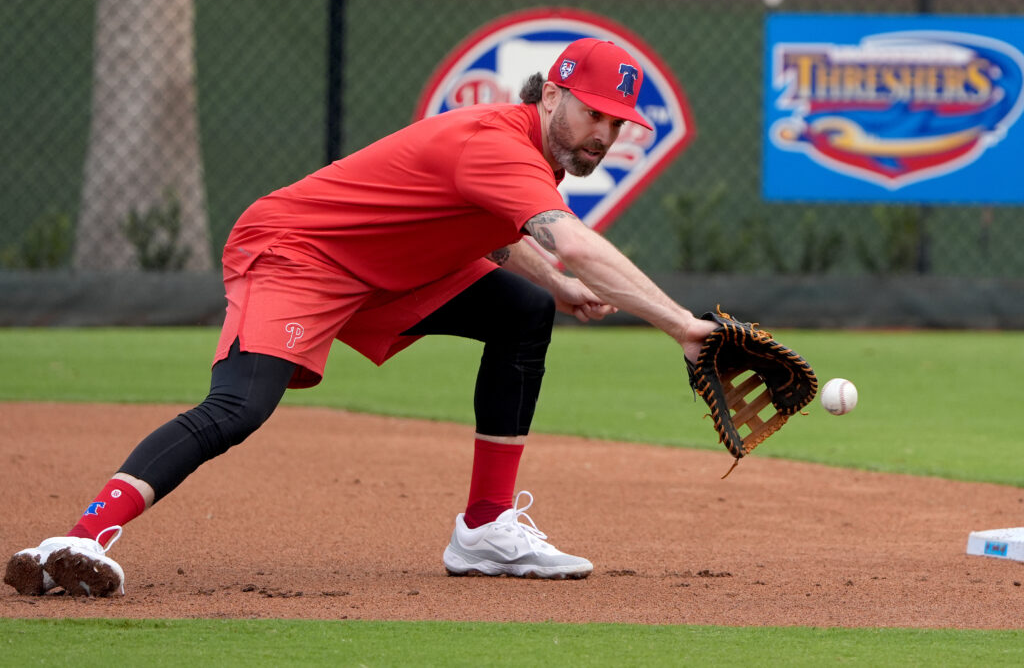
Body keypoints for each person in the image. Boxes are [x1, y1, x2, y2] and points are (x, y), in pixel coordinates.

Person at [4, 38, 718, 596]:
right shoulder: (501, 142)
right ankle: (78, 540)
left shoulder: (530, 152)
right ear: (554, 92)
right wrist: (681, 325)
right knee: (241, 405)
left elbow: (495, 229)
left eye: (617, 122)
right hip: (298, 253)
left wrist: (556, 287)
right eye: (594, 112)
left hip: (386, 268)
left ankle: (485, 528)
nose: (605, 133)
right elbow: (570, 240)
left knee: (524, 311)